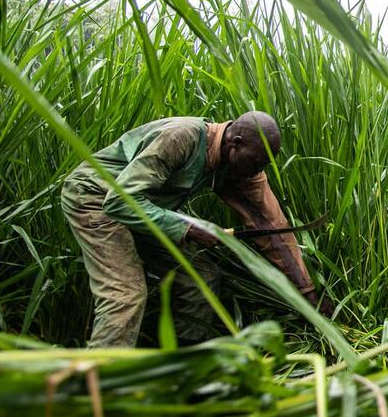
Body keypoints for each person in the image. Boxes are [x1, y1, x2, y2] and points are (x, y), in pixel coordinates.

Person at [60, 111, 333, 348]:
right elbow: (120, 201)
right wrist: (187, 228)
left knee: (200, 277)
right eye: (256, 163)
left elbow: (272, 227)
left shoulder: (241, 165)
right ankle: (97, 386)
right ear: (235, 144)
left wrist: (307, 293)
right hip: (96, 199)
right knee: (126, 294)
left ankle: (186, 367)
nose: (257, 171)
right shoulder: (182, 138)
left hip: (143, 208)